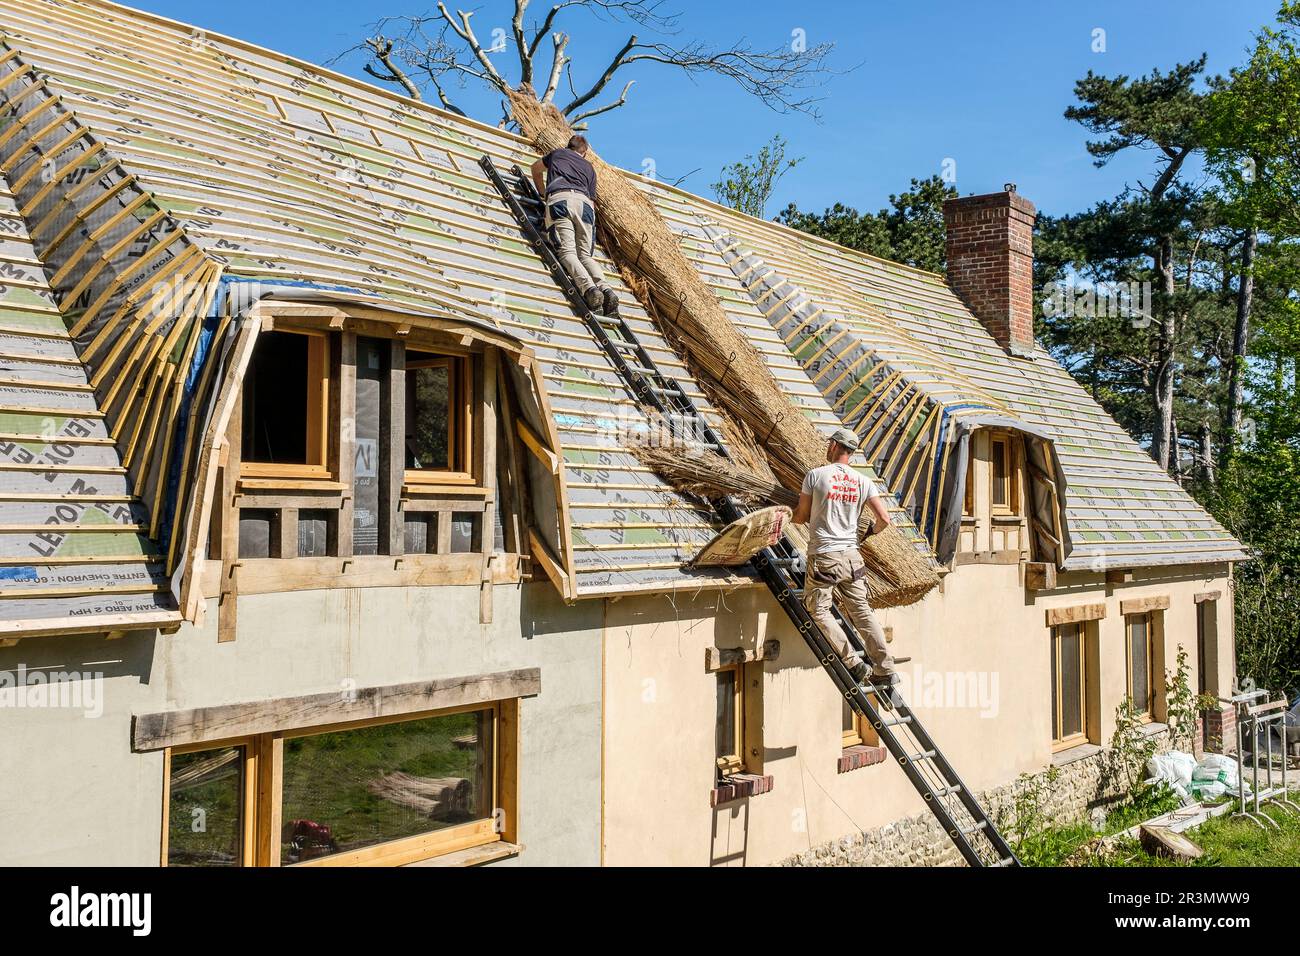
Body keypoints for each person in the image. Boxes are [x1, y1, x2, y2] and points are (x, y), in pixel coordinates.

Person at [792, 427, 897, 685]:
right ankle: (885, 670)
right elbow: (884, 519)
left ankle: (853, 662)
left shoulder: (816, 476)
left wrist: (783, 513)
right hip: (852, 557)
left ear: (835, 446)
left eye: (829, 443)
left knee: (818, 609)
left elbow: (802, 516)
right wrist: (868, 532)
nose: (827, 447)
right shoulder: (863, 482)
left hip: (825, 556)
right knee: (862, 612)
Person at [530, 135, 620, 317]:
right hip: (586, 205)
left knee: (567, 253)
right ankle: (606, 289)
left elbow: (535, 169)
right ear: (584, 153)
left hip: (561, 199)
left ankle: (590, 290)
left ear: (568, 146)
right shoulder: (590, 168)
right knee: (585, 255)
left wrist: (542, 193)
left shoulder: (557, 154)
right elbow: (593, 201)